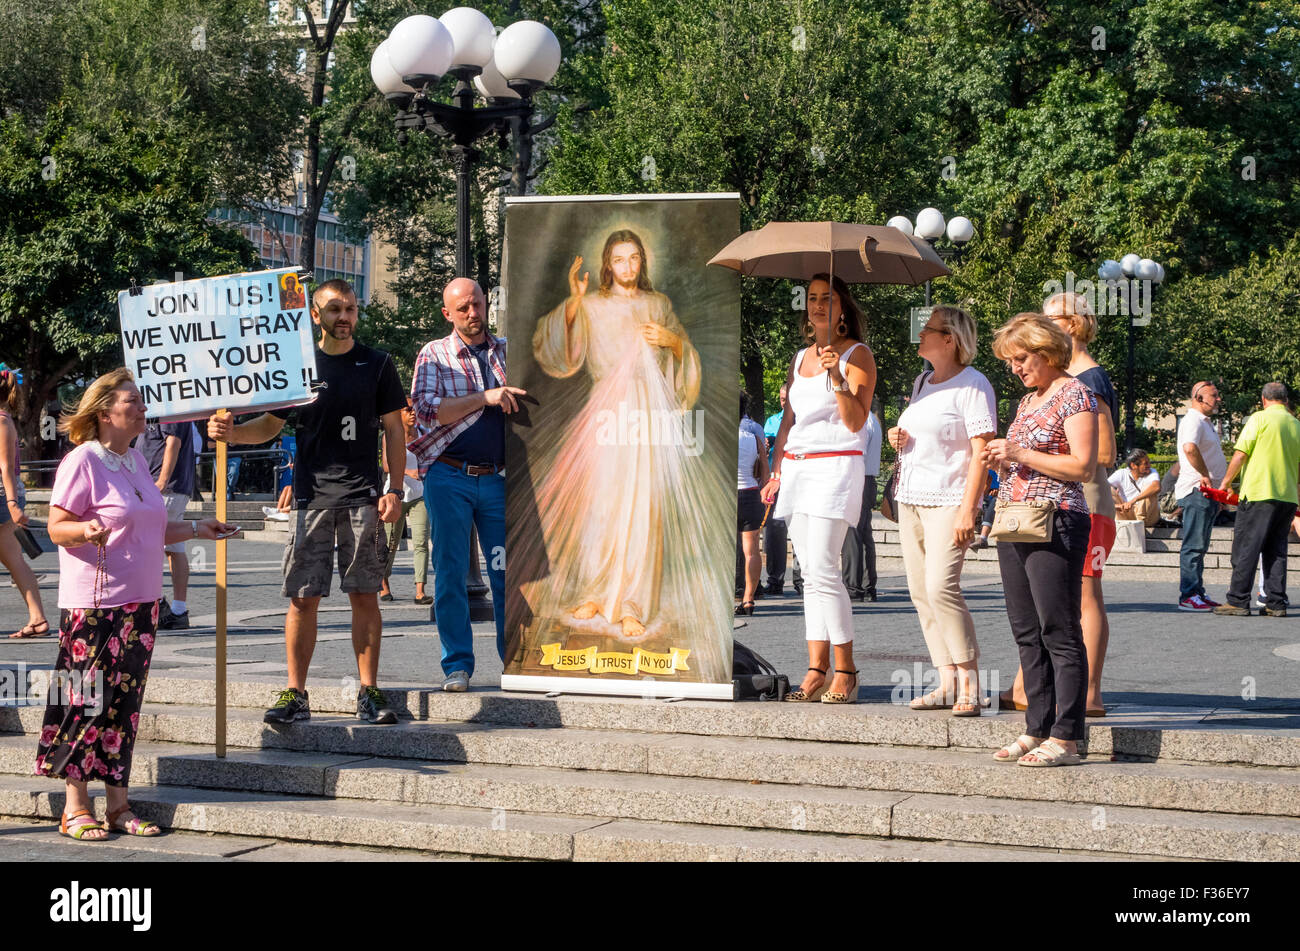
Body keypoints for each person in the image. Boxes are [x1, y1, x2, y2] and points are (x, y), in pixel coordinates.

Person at [517, 228, 729, 677]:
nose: (627, 267)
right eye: (619, 260)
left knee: (643, 509)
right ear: (607, 264)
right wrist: (574, 300)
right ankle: (596, 588)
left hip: (647, 414)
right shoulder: (591, 306)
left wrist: (674, 344)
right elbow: (556, 351)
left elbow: (684, 362)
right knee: (603, 504)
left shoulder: (659, 306)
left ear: (642, 263)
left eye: (634, 259)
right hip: (605, 412)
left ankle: (631, 600)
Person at [37, 368, 234, 839]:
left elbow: (151, 528)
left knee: (122, 708)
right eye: (134, 401)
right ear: (105, 411)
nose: (144, 408)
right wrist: (83, 530)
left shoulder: (135, 463)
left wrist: (197, 529)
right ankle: (75, 806)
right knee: (83, 704)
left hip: (141, 604)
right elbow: (55, 527)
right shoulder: (83, 460)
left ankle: (119, 805)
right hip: (94, 605)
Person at [208, 279, 406, 724]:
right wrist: (233, 434)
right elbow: (271, 425)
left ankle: (369, 692)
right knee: (302, 598)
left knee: (365, 595)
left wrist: (394, 488)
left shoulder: (377, 364)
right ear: (315, 315)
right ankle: (296, 694)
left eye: (351, 309)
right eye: (334, 309)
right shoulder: (297, 365)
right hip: (310, 498)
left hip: (362, 497)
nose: (345, 317)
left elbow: (395, 429)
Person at [982, 313, 1097, 766]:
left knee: (1059, 629)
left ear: (1047, 352)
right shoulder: (1028, 402)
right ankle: (1037, 727)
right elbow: (1024, 462)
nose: (1015, 367)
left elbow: (1083, 466)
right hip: (1015, 520)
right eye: (1011, 360)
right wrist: (1003, 465)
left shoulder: (1076, 394)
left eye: (1021, 357)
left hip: (1058, 519)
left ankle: (1067, 736)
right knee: (1026, 630)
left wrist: (1019, 452)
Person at [1000, 292, 1118, 718]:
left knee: (1078, 601)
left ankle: (1087, 695)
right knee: (1037, 615)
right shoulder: (1038, 392)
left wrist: (1025, 454)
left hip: (1077, 504)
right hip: (1032, 509)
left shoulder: (1087, 381)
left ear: (1071, 325)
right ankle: (1031, 694)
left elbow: (1100, 455)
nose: (1045, 321)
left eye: (1051, 318)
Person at [763, 274, 876, 704]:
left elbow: (855, 422)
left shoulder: (856, 354)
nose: (816, 305)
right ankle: (816, 668)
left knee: (826, 570)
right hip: (797, 468)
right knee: (809, 574)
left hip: (835, 468)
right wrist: (775, 471)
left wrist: (838, 377)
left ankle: (845, 669)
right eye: (811, 298)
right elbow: (789, 422)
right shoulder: (799, 357)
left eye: (826, 298)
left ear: (842, 306)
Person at [411, 278, 526, 691]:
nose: (472, 314)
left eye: (477, 304)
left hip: (498, 477)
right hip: (449, 475)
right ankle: (456, 665)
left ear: (486, 302)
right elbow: (425, 411)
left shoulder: (511, 349)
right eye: (462, 309)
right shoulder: (434, 354)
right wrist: (485, 397)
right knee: (451, 572)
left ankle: (514, 663)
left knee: (507, 573)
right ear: (448, 314)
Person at [888, 306, 997, 717]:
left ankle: (971, 682)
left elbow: (981, 453)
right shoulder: (922, 382)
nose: (919, 335)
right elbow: (927, 439)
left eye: (927, 329)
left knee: (941, 587)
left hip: (950, 500)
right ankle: (947, 679)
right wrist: (899, 436)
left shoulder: (974, 384)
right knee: (920, 593)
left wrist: (971, 508)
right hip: (911, 497)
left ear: (949, 338)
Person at [1213, 381, 1300, 617]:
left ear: (1263, 400)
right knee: (1277, 551)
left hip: (1259, 493)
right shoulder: (1296, 424)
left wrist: (1226, 482)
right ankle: (1276, 602)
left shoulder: (1259, 419)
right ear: (1285, 400)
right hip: (1287, 496)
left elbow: (1241, 453)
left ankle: (1238, 600)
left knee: (1246, 548)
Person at [1, 364, 49, 638]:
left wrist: (11, 504)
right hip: (4, 496)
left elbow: (6, 468)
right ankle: (38, 618)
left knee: (15, 560)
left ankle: (39, 618)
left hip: (1, 496)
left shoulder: (2, 421)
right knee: (14, 559)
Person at [135, 420, 197, 629]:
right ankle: (176, 609)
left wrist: (161, 481)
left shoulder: (170, 405)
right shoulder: (160, 404)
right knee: (172, 547)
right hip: (164, 485)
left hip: (164, 487)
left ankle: (157, 603)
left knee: (147, 545)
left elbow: (173, 442)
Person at [1175, 381, 1227, 611]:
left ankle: (1197, 592)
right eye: (1213, 395)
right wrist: (1204, 475)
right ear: (1198, 397)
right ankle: (1188, 595)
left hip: (1207, 492)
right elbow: (1189, 448)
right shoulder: (1193, 421)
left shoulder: (1204, 422)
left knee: (1200, 545)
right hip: (1197, 490)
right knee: (1194, 546)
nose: (1218, 399)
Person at [379, 398, 431, 605]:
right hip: (396, 494)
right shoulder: (391, 436)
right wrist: (409, 471)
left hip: (419, 494)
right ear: (398, 414)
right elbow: (385, 466)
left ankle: (420, 590)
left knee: (420, 542)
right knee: (391, 543)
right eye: (407, 410)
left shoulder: (423, 435)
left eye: (414, 410)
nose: (412, 413)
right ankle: (384, 584)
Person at [841, 400, 882, 601]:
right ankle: (867, 585)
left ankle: (853, 585)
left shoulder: (861, 421)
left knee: (852, 534)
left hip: (857, 477)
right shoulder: (873, 420)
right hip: (869, 479)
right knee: (865, 534)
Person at [763, 384, 801, 596]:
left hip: (799, 482)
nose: (783, 402)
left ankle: (801, 578)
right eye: (781, 399)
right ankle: (775, 580)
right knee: (774, 533)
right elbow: (764, 447)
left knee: (800, 532)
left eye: (787, 399)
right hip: (777, 482)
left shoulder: (804, 421)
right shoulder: (772, 421)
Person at [736, 394, 768, 598]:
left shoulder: (716, 437)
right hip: (750, 494)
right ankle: (748, 598)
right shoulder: (755, 439)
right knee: (752, 551)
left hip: (727, 497)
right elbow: (764, 473)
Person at [1110, 449, 1161, 527]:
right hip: (1127, 513)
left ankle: (1140, 524)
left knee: (1149, 488)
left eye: (1149, 462)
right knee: (1108, 489)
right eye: (1145, 464)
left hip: (1148, 516)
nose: (1149, 466)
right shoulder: (1122, 473)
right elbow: (1101, 488)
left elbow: (1156, 487)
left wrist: (1134, 500)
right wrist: (1117, 506)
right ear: (1133, 465)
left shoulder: (1152, 472)